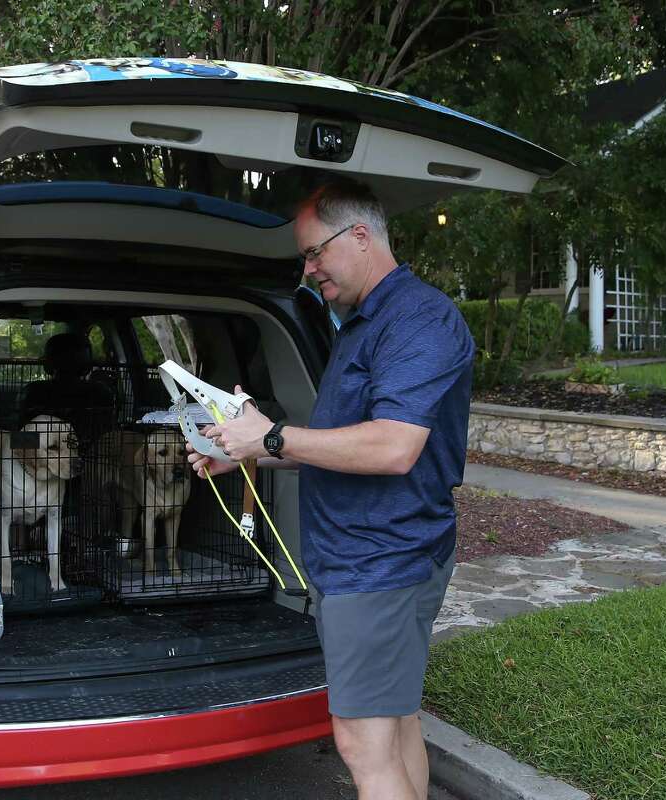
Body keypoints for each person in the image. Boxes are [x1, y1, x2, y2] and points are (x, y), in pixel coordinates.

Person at [188, 179, 475, 800]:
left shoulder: (418, 319)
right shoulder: (359, 322)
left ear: (362, 235)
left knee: (361, 743)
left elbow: (394, 448)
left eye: (315, 252)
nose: (309, 267)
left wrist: (270, 440)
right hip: (365, 556)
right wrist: (247, 455)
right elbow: (344, 448)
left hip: (381, 560)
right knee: (396, 722)